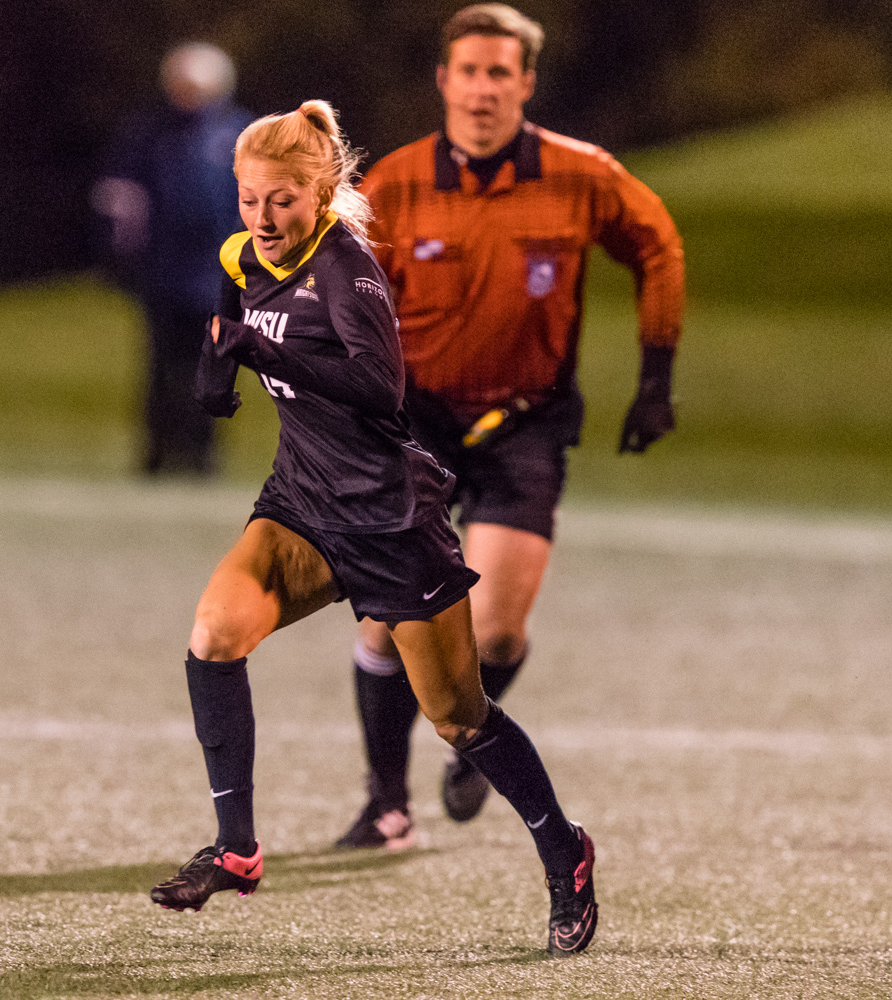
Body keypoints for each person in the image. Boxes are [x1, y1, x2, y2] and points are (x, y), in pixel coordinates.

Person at [148, 99, 598, 957]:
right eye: (248, 197)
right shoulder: (242, 253)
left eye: (281, 198)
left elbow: (379, 389)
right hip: (302, 505)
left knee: (460, 719)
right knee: (213, 635)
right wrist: (216, 380)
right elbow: (228, 330)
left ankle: (563, 849)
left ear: (321, 193)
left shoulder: (345, 267)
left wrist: (266, 356)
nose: (262, 217)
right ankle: (238, 847)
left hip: (391, 520)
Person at [333, 3, 684, 851]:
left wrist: (655, 376)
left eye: (501, 73)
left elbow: (658, 247)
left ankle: (473, 737)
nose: (484, 88)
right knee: (383, 618)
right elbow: (341, 297)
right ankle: (387, 804)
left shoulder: (580, 173)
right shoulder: (395, 184)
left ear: (525, 82)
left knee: (493, 628)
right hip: (413, 426)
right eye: (470, 71)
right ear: (444, 81)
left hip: (524, 426)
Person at [92, 43, 251, 476]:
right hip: (164, 272)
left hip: (220, 274)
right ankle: (158, 454)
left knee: (212, 367)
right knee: (162, 367)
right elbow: (122, 200)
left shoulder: (243, 135)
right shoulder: (148, 135)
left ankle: (201, 455)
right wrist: (121, 251)